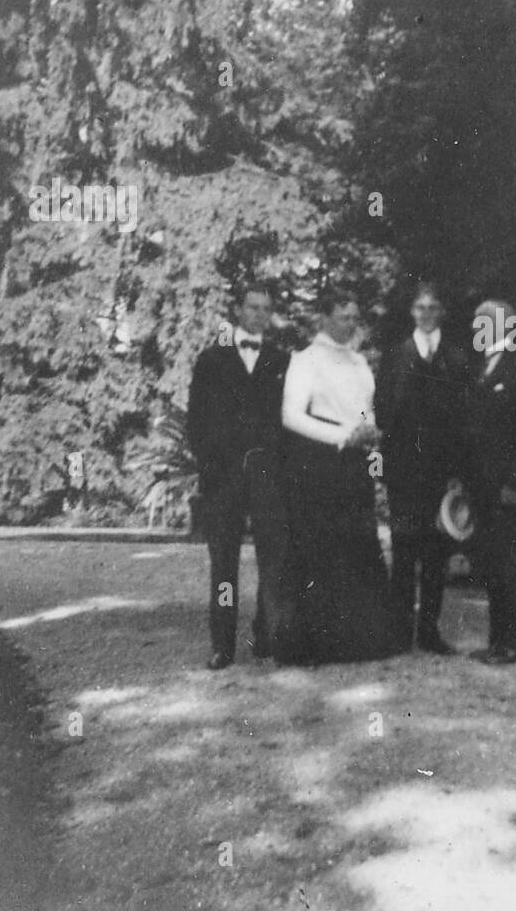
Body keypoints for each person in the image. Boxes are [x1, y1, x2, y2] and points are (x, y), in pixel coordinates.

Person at [274, 289, 406, 666]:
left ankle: (359, 642)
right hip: (317, 466)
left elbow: (365, 410)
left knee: (357, 547)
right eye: (343, 317)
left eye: (354, 317)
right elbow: (291, 416)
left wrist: (367, 431)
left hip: (354, 466)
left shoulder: (360, 363)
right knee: (320, 552)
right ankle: (315, 645)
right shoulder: (306, 360)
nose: (351, 324)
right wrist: (341, 436)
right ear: (324, 319)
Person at [186, 281, 290, 670]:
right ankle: (223, 645)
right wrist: (212, 465)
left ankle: (266, 636)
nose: (259, 314)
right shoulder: (211, 360)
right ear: (239, 311)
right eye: (252, 307)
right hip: (224, 478)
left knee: (273, 560)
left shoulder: (282, 361)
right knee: (225, 565)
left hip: (267, 476)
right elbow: (196, 422)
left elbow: (287, 422)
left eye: (265, 308)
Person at [376, 282, 469, 654]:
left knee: (435, 555)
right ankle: (399, 632)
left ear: (442, 311)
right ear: (411, 312)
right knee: (404, 552)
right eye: (420, 307)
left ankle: (429, 631)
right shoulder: (396, 356)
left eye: (433, 307)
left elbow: (464, 421)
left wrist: (458, 471)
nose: (427, 314)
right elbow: (382, 411)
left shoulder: (457, 359)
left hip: (441, 473)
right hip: (403, 470)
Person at [463, 298, 516, 666]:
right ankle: (499, 640)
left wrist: (515, 481)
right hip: (484, 488)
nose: (475, 327)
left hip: (512, 489)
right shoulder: (482, 366)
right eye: (476, 320)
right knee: (494, 566)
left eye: (485, 320)